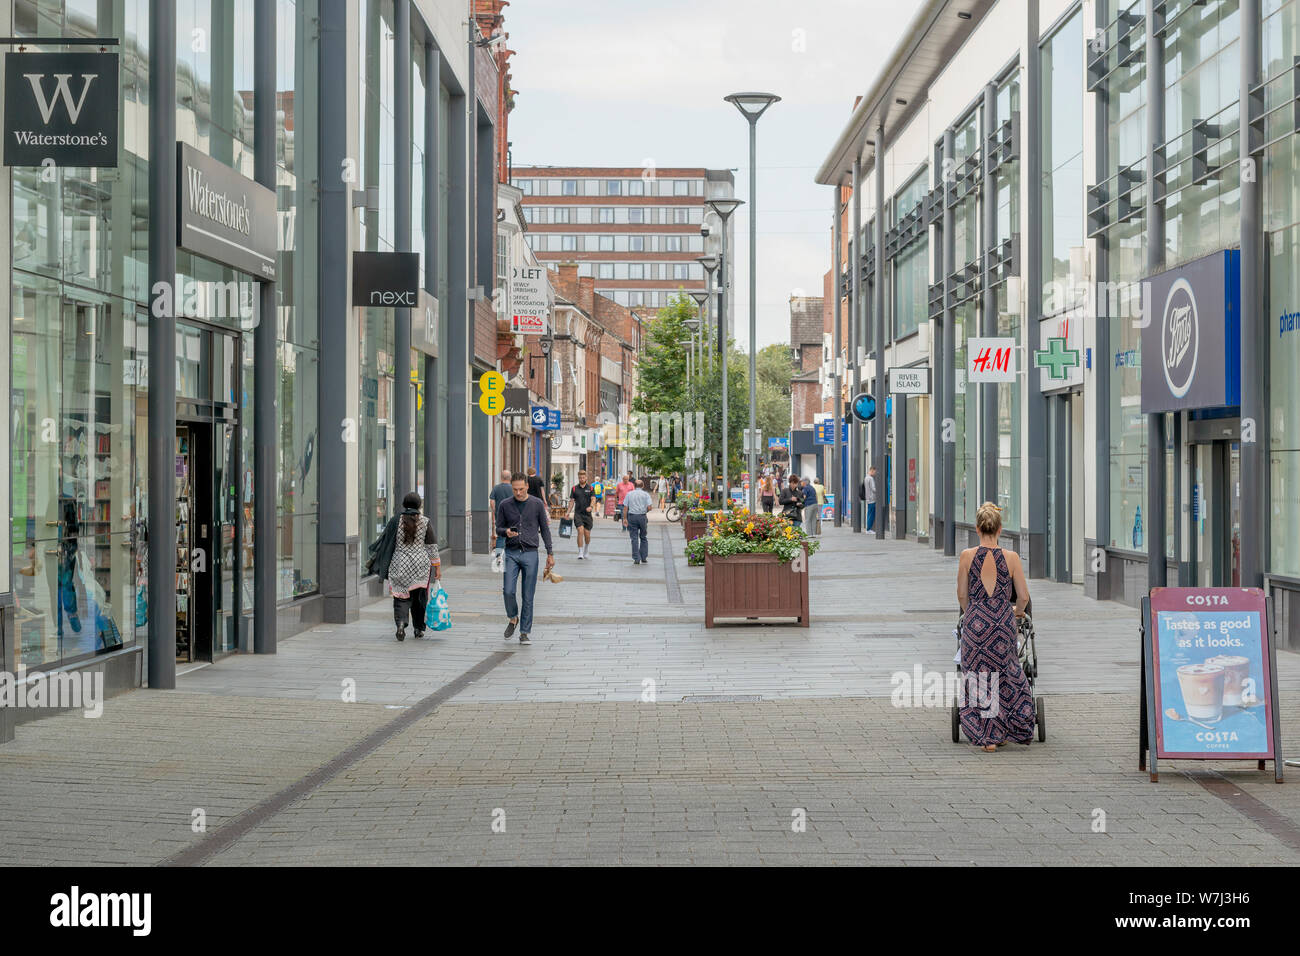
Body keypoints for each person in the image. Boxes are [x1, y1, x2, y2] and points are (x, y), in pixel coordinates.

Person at [957, 502, 1035, 752]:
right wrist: (1018, 613)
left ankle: (987, 736)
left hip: (976, 622)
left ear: (977, 529)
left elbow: (961, 595)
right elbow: (1023, 595)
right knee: (1006, 674)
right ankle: (1006, 729)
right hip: (1003, 622)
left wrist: (973, 611)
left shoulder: (967, 556)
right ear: (1000, 529)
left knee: (980, 676)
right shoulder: (1011, 558)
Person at [497, 472, 554, 646]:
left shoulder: (536, 504)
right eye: (515, 490)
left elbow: (545, 529)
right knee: (508, 590)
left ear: (527, 486)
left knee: (528, 595)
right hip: (512, 552)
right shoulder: (505, 505)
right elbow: (498, 528)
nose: (518, 493)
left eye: (521, 489)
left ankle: (524, 632)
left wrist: (550, 553)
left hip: (530, 553)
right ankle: (513, 617)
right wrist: (505, 532)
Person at [385, 491, 440, 642]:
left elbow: (387, 542)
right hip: (420, 565)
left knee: (401, 597)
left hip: (400, 564)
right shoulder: (425, 521)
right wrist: (437, 568)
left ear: (404, 504)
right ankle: (418, 628)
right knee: (419, 598)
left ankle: (401, 624)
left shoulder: (396, 520)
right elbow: (432, 547)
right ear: (419, 505)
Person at [622, 477, 654, 564]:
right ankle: (644, 557)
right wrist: (644, 511)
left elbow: (625, 508)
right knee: (643, 537)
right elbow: (650, 507)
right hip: (642, 517)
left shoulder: (629, 494)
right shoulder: (646, 494)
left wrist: (624, 518)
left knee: (634, 538)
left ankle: (636, 558)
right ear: (643, 486)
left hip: (632, 517)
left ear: (634, 486)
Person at [568, 469, 596, 559]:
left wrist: (591, 507)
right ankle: (580, 552)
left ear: (586, 478)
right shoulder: (574, 488)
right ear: (578, 478)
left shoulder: (591, 488)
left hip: (587, 515)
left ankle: (586, 549)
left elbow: (593, 499)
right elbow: (572, 502)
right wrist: (567, 512)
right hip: (578, 514)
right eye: (580, 478)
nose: (582, 479)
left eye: (583, 477)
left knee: (587, 535)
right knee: (580, 531)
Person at [488, 469, 513, 548]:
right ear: (510, 478)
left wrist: (494, 511)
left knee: (501, 536)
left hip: (500, 516)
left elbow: (492, 501)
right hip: (512, 516)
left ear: (501, 478)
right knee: (512, 534)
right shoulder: (514, 488)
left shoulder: (496, 488)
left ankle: (499, 556)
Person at [860, 466, 877, 534]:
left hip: (868, 498)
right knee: (871, 514)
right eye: (874, 472)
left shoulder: (866, 478)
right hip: (872, 498)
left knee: (869, 513)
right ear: (872, 470)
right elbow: (873, 489)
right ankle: (869, 529)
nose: (875, 473)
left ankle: (868, 528)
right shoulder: (871, 478)